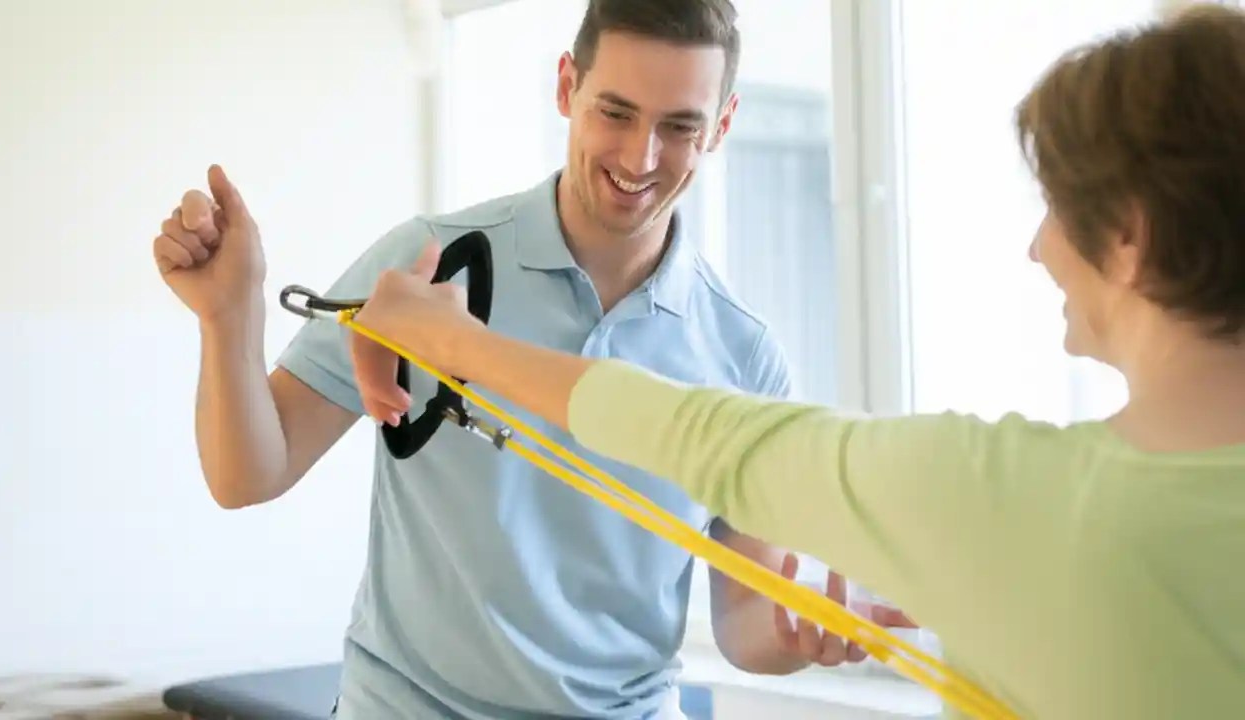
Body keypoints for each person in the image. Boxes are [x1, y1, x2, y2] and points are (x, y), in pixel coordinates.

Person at [342, 4, 1245, 718]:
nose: (1039, 248)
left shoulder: (1004, 495)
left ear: (1127, 238)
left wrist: (450, 342)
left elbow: (691, 431)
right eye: (616, 110)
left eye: (1058, 207)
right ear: (569, 88)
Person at [151, 1, 910, 718]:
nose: (641, 157)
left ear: (722, 125)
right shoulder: (427, 264)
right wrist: (229, 316)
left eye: (679, 126)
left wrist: (796, 638)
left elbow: (743, 622)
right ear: (566, 87)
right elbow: (247, 473)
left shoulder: (744, 356)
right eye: (616, 112)